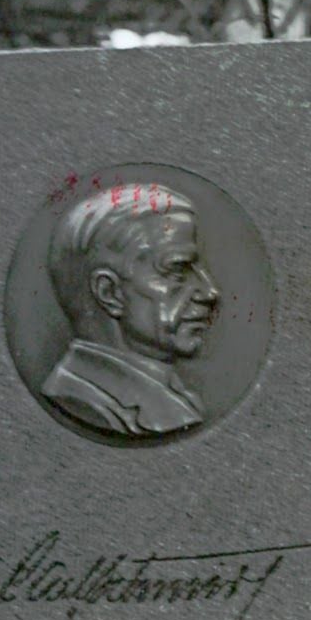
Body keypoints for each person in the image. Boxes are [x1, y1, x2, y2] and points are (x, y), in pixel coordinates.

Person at [42, 180, 219, 439]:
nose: (209, 292)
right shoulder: (84, 399)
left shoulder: (171, 392)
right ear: (110, 293)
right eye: (178, 270)